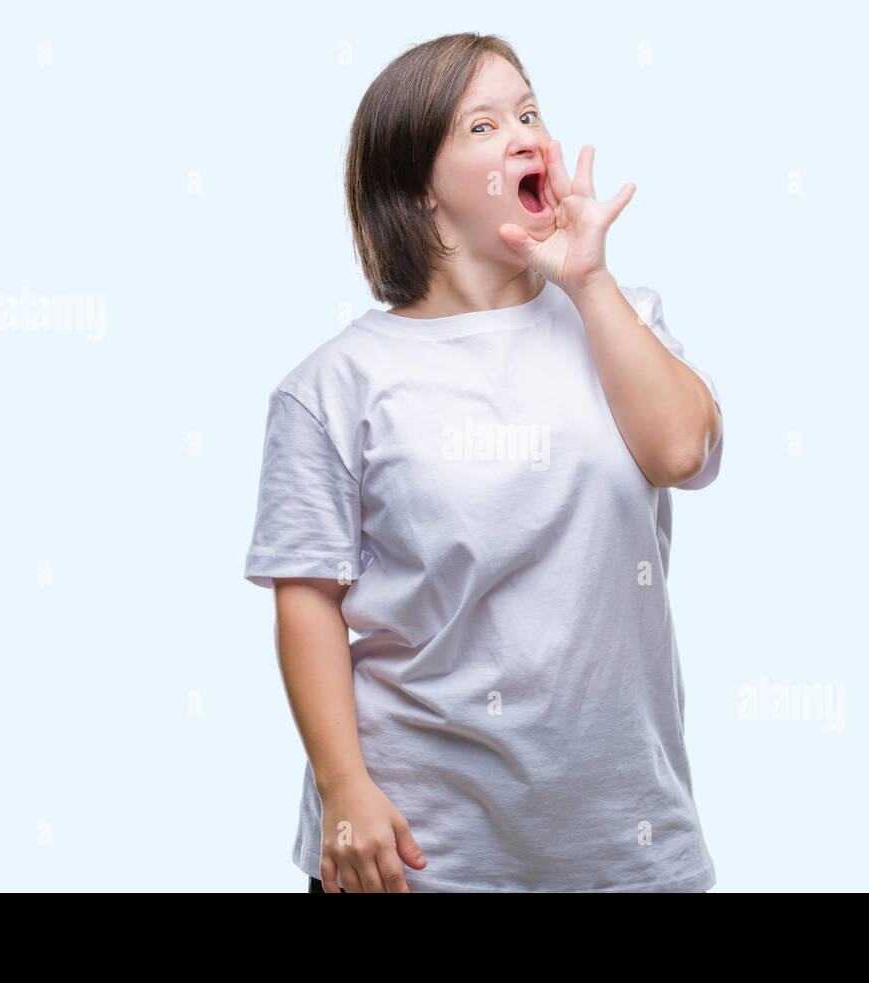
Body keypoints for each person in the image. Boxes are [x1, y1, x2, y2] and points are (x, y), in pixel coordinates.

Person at [244, 32, 724, 893]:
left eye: (531, 111)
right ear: (423, 191)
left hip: (625, 842)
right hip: (424, 851)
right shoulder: (333, 385)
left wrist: (588, 284)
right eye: (484, 124)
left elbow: (683, 450)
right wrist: (344, 785)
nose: (527, 135)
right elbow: (307, 597)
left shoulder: (619, 317)